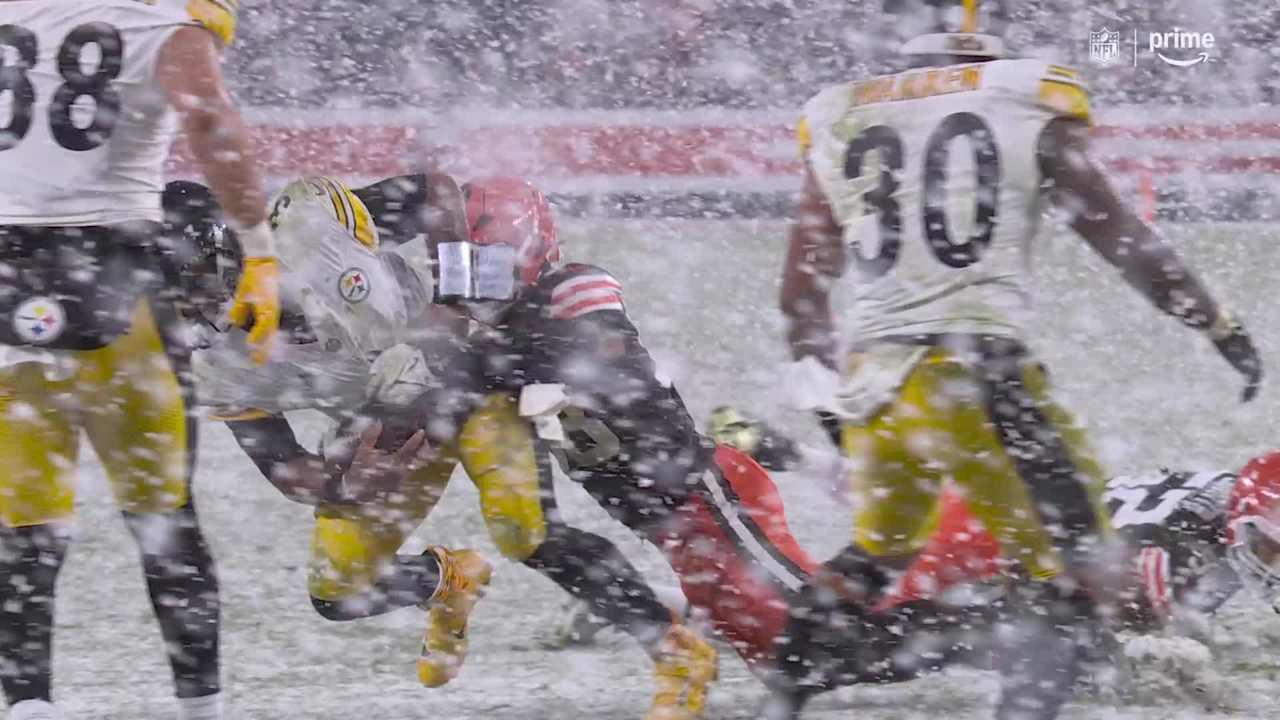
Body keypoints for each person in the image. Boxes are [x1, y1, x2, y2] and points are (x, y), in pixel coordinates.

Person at [777, 1, 1262, 717]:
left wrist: (829, 402)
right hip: (979, 368)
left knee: (874, 557)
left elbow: (799, 296)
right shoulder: (1020, 100)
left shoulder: (846, 114)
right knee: (1075, 573)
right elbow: (1120, 235)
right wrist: (1216, 323)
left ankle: (785, 692)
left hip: (876, 375)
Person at [179, 174, 720, 720]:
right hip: (385, 434)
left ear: (222, 250)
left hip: (469, 378)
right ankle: (446, 580)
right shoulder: (213, 365)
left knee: (527, 530)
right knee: (337, 590)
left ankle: (674, 653)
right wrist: (346, 483)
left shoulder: (308, 221)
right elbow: (284, 466)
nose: (182, 312)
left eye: (187, 286)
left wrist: (457, 298)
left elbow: (436, 191)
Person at [0, 1, 279, 717]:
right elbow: (208, 118)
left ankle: (29, 706)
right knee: (163, 519)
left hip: (5, 284)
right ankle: (201, 708)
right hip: (111, 277)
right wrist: (261, 247)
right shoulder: (159, 21)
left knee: (23, 528)